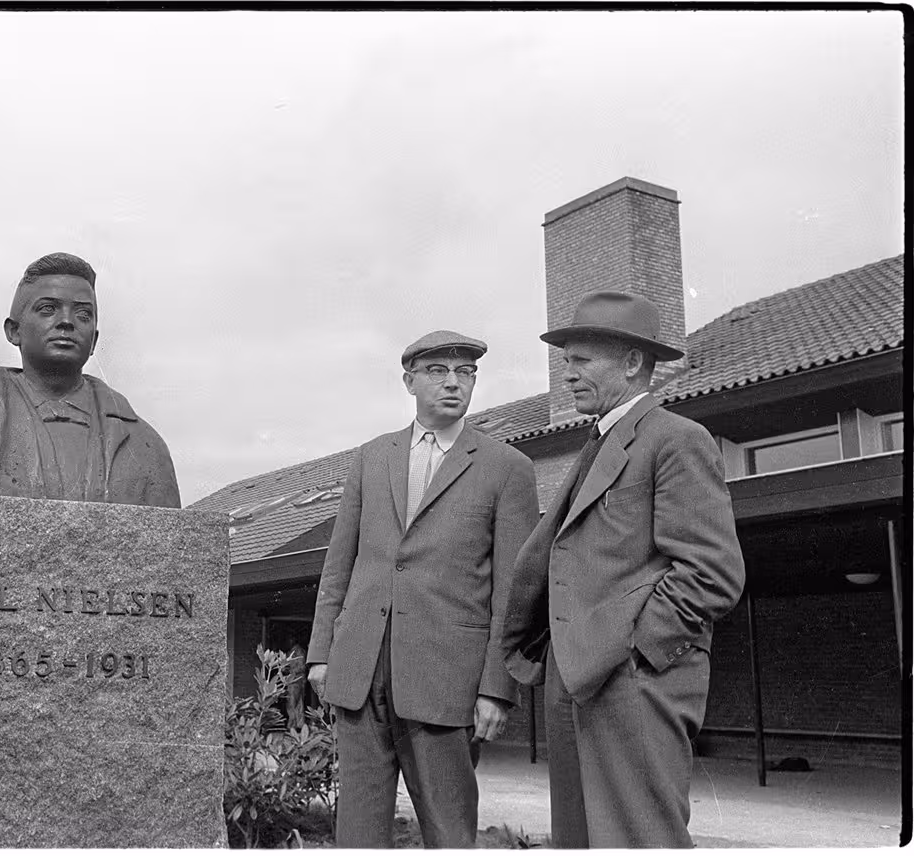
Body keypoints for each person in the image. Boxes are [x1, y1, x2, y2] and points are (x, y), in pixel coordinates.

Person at [499, 291, 745, 848]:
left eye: (581, 360)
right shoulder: (598, 442)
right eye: (566, 361)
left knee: (640, 840)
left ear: (633, 362)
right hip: (577, 682)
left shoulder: (677, 440)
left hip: (632, 684)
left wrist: (632, 653)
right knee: (580, 841)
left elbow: (712, 573)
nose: (567, 374)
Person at [306, 331, 539, 848]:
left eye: (465, 372)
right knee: (358, 832)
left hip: (446, 679)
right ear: (409, 380)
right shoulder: (371, 458)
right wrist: (321, 653)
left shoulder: (508, 468)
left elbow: (513, 592)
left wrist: (496, 687)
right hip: (361, 670)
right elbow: (339, 563)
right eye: (437, 371)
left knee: (449, 829)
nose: (453, 382)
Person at [0, 252, 180, 508]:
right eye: (48, 309)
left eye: (83, 314)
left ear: (94, 341)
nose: (67, 322)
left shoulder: (146, 447)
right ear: (14, 331)